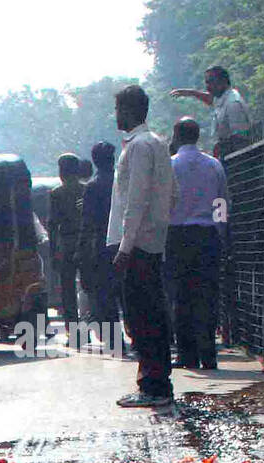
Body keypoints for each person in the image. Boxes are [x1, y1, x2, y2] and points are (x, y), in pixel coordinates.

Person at [108, 85, 178, 409]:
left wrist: (125, 246)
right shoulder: (158, 143)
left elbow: (134, 201)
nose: (116, 115)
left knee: (141, 317)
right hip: (151, 241)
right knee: (153, 313)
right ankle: (157, 382)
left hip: (136, 244)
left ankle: (152, 385)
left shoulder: (137, 147)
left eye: (119, 108)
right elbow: (170, 195)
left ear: (131, 110)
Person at [166, 117, 227, 370]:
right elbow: (221, 203)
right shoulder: (213, 165)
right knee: (207, 295)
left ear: (176, 136)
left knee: (181, 296)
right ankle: (208, 353)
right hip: (207, 235)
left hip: (178, 235)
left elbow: (164, 202)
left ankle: (187, 354)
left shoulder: (170, 165)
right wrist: (220, 233)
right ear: (197, 135)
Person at [79, 141, 120, 340]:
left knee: (106, 294)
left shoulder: (93, 187)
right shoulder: (123, 182)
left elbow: (87, 223)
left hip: (102, 246)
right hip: (126, 240)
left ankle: (114, 339)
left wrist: (82, 251)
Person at [169, 66, 252, 160]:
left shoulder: (233, 104)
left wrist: (220, 146)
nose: (207, 87)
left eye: (210, 82)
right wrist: (191, 93)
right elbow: (210, 99)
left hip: (238, 160)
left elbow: (241, 137)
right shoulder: (223, 97)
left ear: (223, 81)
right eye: (206, 82)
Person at [48, 152, 85, 337]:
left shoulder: (57, 193)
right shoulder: (86, 189)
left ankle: (73, 329)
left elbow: (52, 225)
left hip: (66, 244)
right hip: (86, 242)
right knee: (90, 286)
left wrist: (53, 251)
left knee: (68, 289)